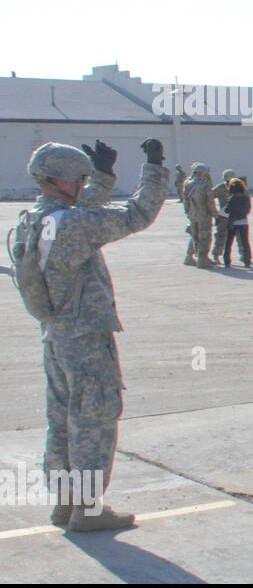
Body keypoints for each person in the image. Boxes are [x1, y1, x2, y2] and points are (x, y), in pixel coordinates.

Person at [21, 138, 167, 531]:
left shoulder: (34, 221)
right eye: (82, 179)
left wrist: (102, 175)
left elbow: (84, 210)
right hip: (86, 337)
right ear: (65, 180)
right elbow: (137, 213)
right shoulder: (74, 224)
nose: (85, 186)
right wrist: (154, 167)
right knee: (94, 420)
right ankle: (88, 509)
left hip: (54, 336)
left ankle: (66, 503)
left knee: (63, 419)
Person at [182, 163, 217, 268]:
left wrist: (188, 212)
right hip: (203, 215)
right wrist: (215, 213)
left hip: (192, 214)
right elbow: (210, 202)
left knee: (195, 236)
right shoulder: (205, 185)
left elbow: (185, 200)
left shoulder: (187, 184)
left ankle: (190, 257)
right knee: (205, 237)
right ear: (202, 173)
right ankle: (202, 260)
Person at [221, 179, 252, 267]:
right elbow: (247, 210)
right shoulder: (246, 198)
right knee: (245, 242)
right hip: (244, 222)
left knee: (229, 243)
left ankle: (227, 261)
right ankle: (247, 260)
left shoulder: (232, 198)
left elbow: (227, 210)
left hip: (232, 223)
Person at [211, 168, 236, 261]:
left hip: (236, 215)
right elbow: (209, 197)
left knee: (241, 237)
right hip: (224, 216)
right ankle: (216, 254)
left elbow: (245, 199)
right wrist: (215, 212)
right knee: (221, 236)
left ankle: (244, 256)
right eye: (228, 176)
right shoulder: (220, 188)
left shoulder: (239, 187)